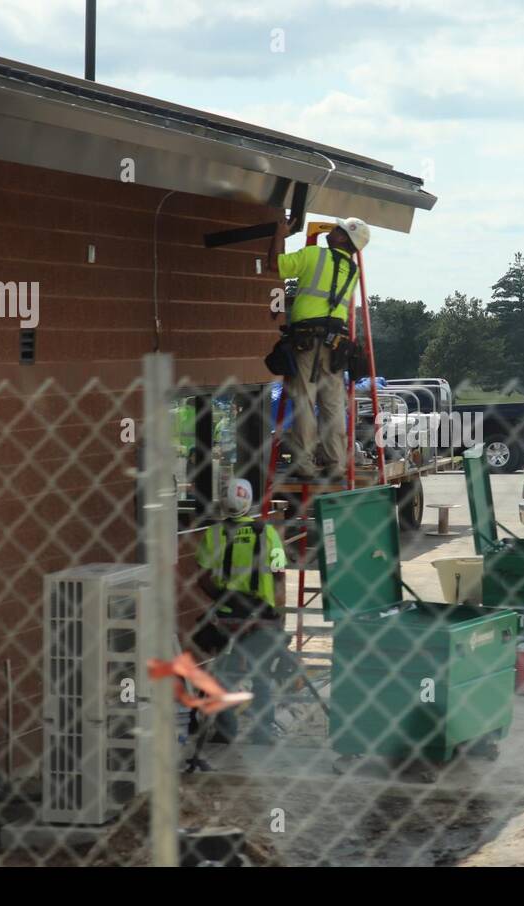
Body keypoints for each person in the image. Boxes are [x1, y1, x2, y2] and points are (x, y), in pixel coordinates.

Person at [270, 218, 371, 479]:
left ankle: (304, 464)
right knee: (333, 405)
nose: (333, 231)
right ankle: (336, 463)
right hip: (336, 345)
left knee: (304, 399)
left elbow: (276, 266)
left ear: (342, 239)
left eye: (338, 229)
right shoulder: (352, 270)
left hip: (307, 342)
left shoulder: (314, 254)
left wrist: (279, 236)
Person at [191, 479, 288, 745]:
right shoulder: (267, 533)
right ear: (249, 501)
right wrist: (275, 609)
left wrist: (223, 598)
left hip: (226, 617)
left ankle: (225, 731)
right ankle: (263, 731)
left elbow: (202, 578)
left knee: (223, 674)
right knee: (261, 674)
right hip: (260, 617)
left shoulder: (214, 534)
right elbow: (280, 573)